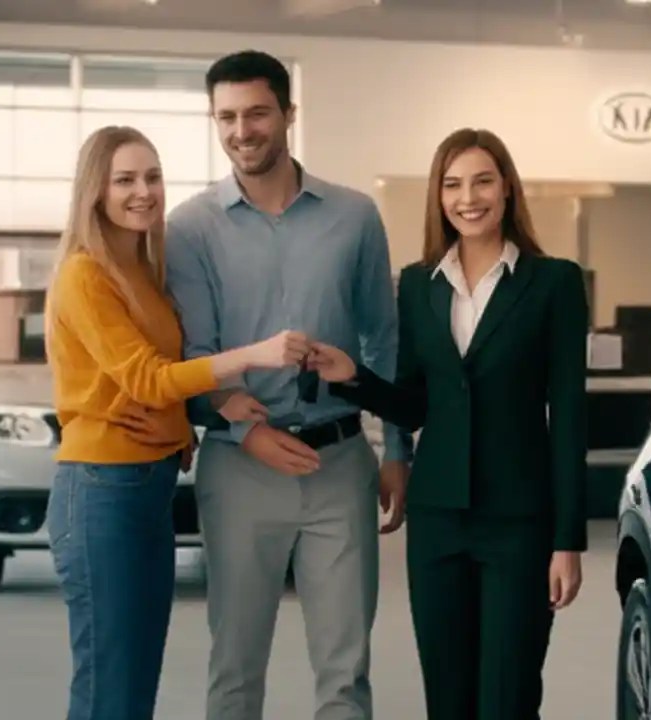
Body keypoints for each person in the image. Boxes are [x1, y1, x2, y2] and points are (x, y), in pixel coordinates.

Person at [305, 127, 589, 720]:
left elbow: (568, 418)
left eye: (483, 180)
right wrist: (354, 376)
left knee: (507, 701)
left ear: (507, 188)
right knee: (448, 701)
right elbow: (414, 404)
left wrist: (568, 540)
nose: (469, 197)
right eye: (453, 184)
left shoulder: (554, 283)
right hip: (437, 522)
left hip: (519, 523)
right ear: (438, 196)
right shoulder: (418, 284)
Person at [163, 50, 410, 720]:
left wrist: (395, 452)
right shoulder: (189, 227)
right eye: (227, 117)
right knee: (235, 670)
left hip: (339, 467)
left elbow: (381, 339)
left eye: (256, 113)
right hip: (239, 471)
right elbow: (197, 352)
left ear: (288, 114)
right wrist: (246, 431)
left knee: (345, 673)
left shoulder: (354, 216)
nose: (242, 130)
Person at [44, 125, 309, 720]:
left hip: (149, 484)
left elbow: (160, 381)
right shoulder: (86, 275)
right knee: (108, 687)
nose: (144, 191)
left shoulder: (142, 268)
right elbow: (148, 378)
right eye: (125, 180)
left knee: (136, 683)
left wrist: (192, 420)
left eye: (153, 176)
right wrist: (251, 357)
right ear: (95, 191)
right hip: (100, 492)